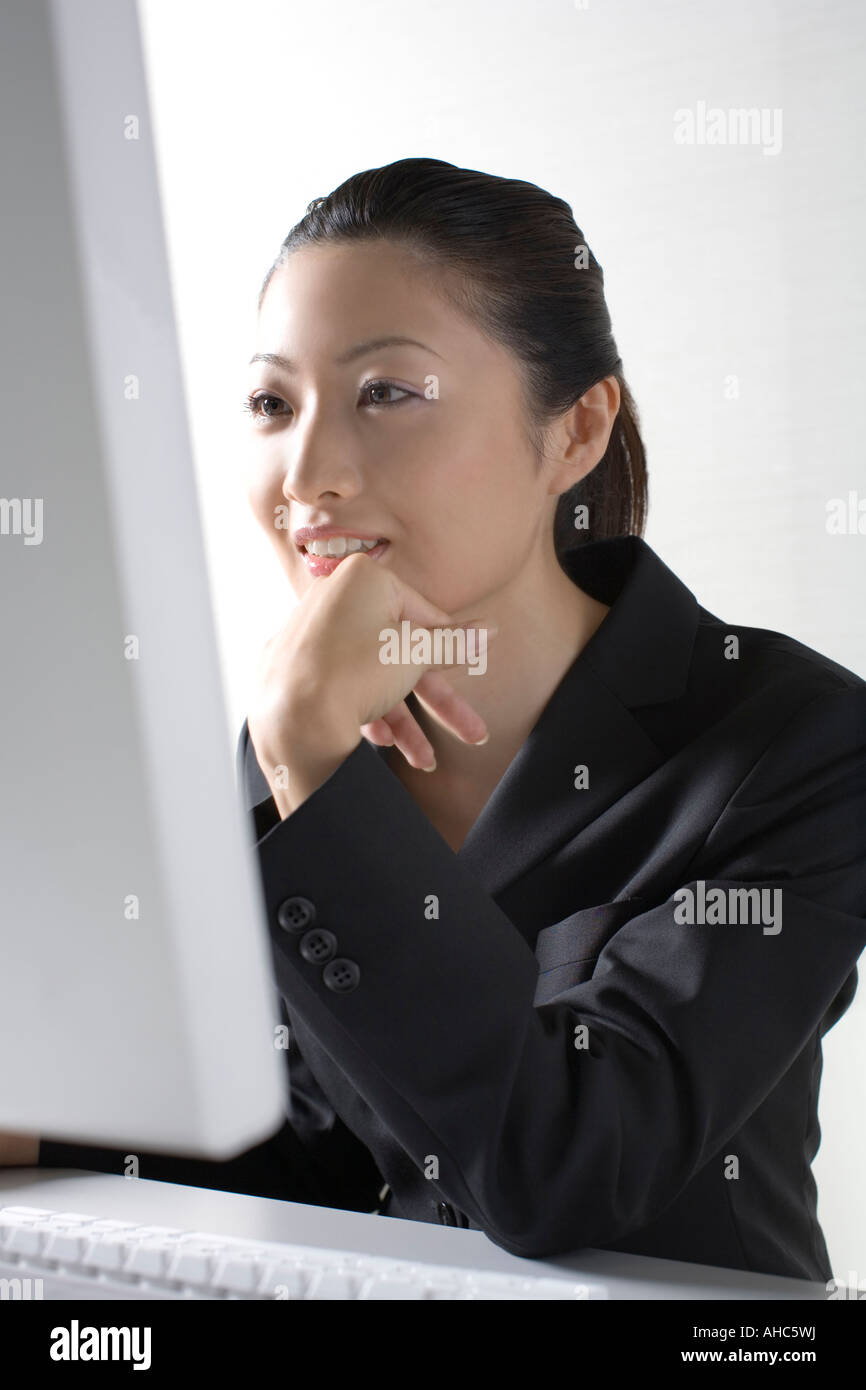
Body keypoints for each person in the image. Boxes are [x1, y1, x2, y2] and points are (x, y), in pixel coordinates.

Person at [21, 158, 866, 1283]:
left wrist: (311, 760)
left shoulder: (795, 741)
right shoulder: (290, 743)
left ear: (575, 431)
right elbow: (313, 1151)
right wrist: (37, 1129)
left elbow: (563, 1169)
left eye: (387, 393)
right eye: (273, 404)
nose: (305, 475)